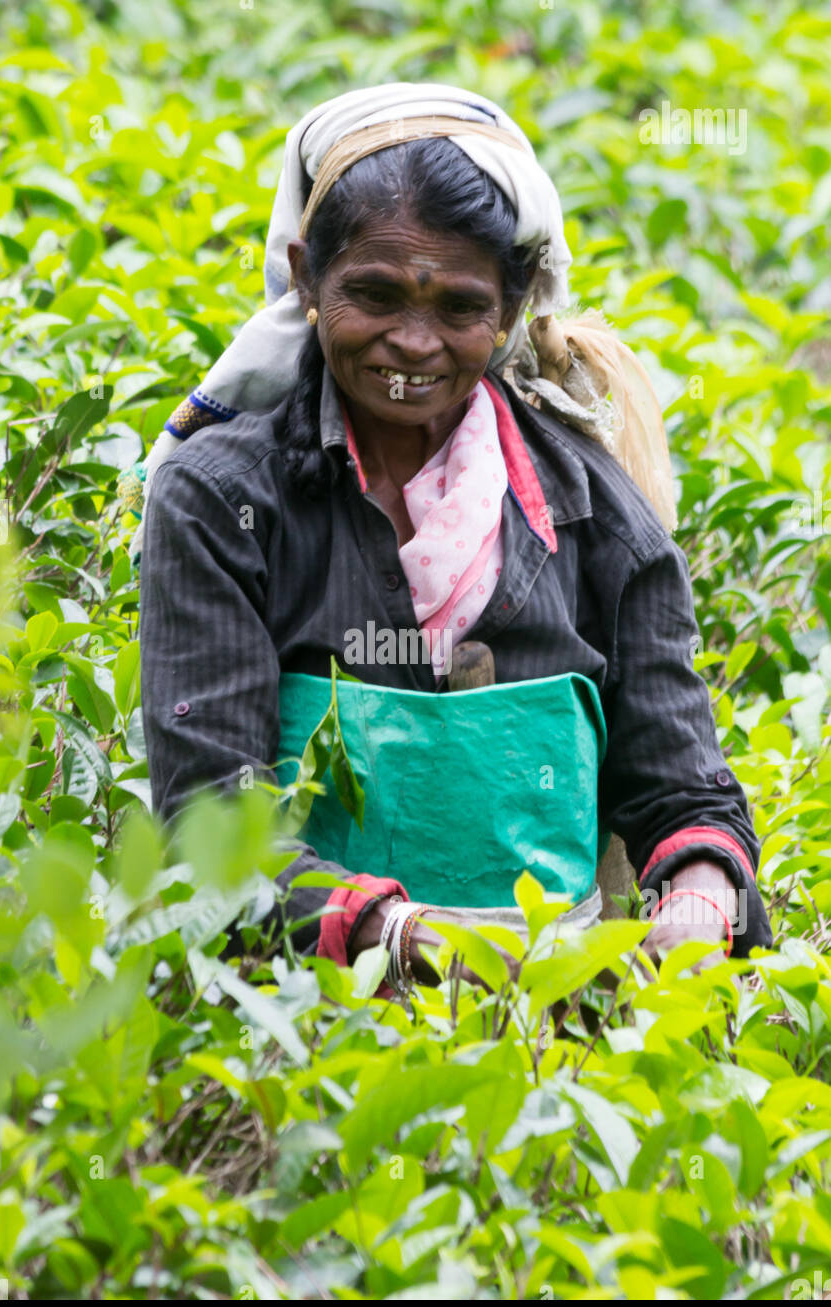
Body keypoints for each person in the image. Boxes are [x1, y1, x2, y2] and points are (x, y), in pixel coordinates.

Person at [135, 83, 772, 998]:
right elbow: (211, 832)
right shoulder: (224, 499)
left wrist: (700, 903)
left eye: (462, 308)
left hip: (555, 1036)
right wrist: (409, 939)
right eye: (374, 294)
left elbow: (685, 794)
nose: (414, 343)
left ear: (512, 308)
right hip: (293, 1024)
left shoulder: (592, 510)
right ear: (305, 274)